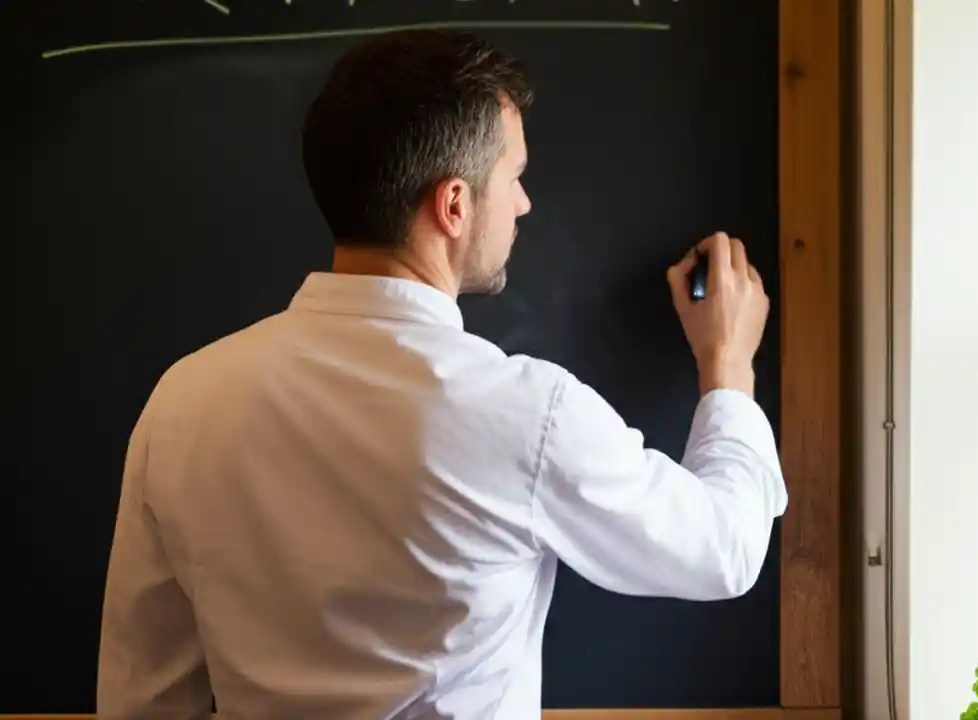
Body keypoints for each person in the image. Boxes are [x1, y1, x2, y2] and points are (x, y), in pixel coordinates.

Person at [96, 29, 786, 719]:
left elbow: (143, 698)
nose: (524, 204)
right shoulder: (524, 415)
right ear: (454, 205)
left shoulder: (184, 400)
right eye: (514, 178)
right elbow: (722, 548)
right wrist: (726, 362)